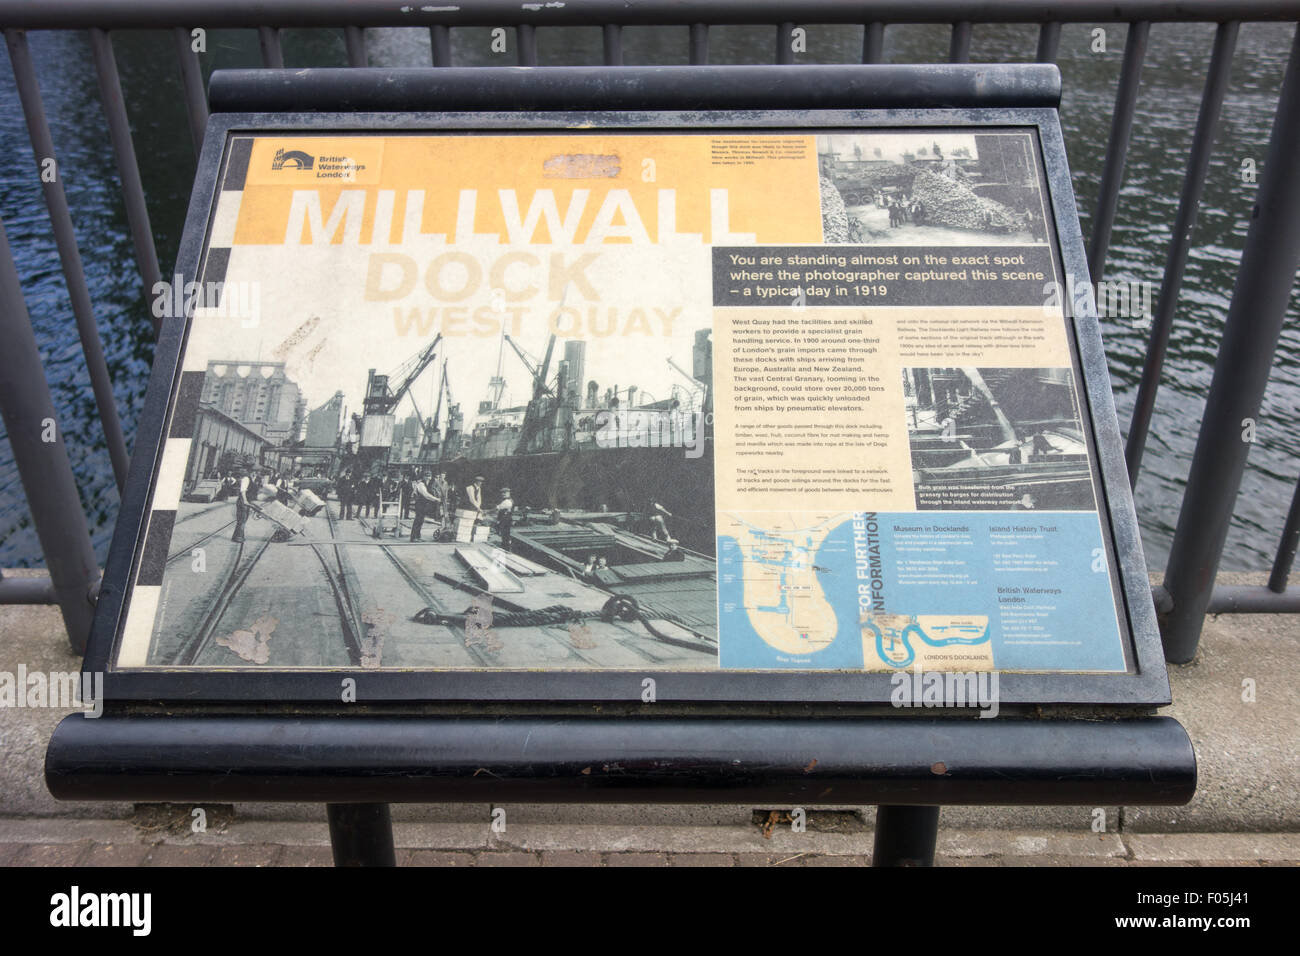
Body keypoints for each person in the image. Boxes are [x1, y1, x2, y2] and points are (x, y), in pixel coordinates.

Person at [409, 470, 441, 542]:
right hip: (419, 504)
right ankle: (413, 537)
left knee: (421, 520)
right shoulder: (421, 484)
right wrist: (436, 499)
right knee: (418, 520)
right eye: (427, 477)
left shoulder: (428, 484)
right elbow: (426, 495)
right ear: (424, 477)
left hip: (424, 505)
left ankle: (417, 536)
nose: (428, 478)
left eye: (429, 477)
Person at [231, 466, 251, 543]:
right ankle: (239, 537)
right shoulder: (246, 479)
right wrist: (245, 501)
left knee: (241, 519)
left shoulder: (244, 478)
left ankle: (236, 536)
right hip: (243, 501)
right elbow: (243, 491)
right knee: (242, 519)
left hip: (241, 500)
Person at [495, 487, 515, 551]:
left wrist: (487, 511)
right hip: (503, 519)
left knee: (505, 534)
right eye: (502, 493)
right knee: (504, 534)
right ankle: (505, 546)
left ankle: (506, 548)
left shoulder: (508, 501)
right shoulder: (504, 500)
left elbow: (499, 508)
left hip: (506, 519)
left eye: (505, 493)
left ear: (509, 493)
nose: (503, 494)